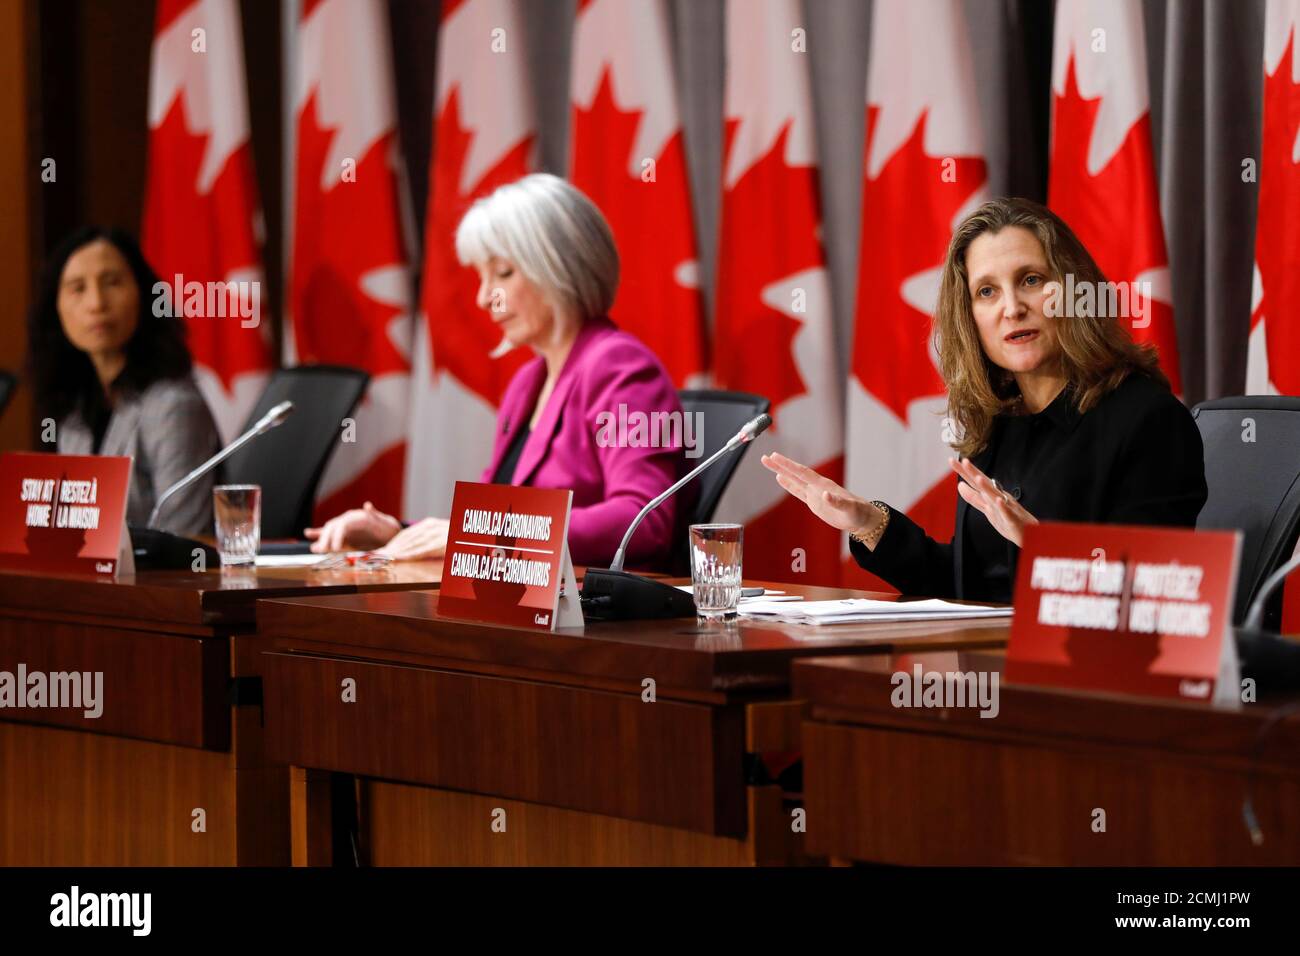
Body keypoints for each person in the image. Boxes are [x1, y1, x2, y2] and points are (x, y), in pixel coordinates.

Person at [763, 197, 1207, 603]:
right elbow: (968, 588)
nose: (1011, 307)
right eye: (987, 291)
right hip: (990, 677)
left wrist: (1044, 547)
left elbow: (1155, 599)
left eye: (1031, 280)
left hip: (1092, 682)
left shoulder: (1148, 420)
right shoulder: (999, 423)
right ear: (971, 319)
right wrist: (868, 523)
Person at [306, 173, 692, 570]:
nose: (483, 297)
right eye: (481, 276)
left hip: (591, 621)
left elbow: (645, 522)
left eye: (503, 273)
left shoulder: (622, 367)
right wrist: (398, 532)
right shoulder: (528, 383)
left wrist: (479, 535)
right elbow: (490, 523)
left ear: (562, 268)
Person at [26, 226, 221, 536]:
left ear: (143, 294)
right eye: (77, 288)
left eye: (112, 282)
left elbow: (183, 538)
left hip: (156, 582)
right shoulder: (74, 407)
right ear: (56, 309)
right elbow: (73, 533)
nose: (96, 303)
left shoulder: (174, 406)